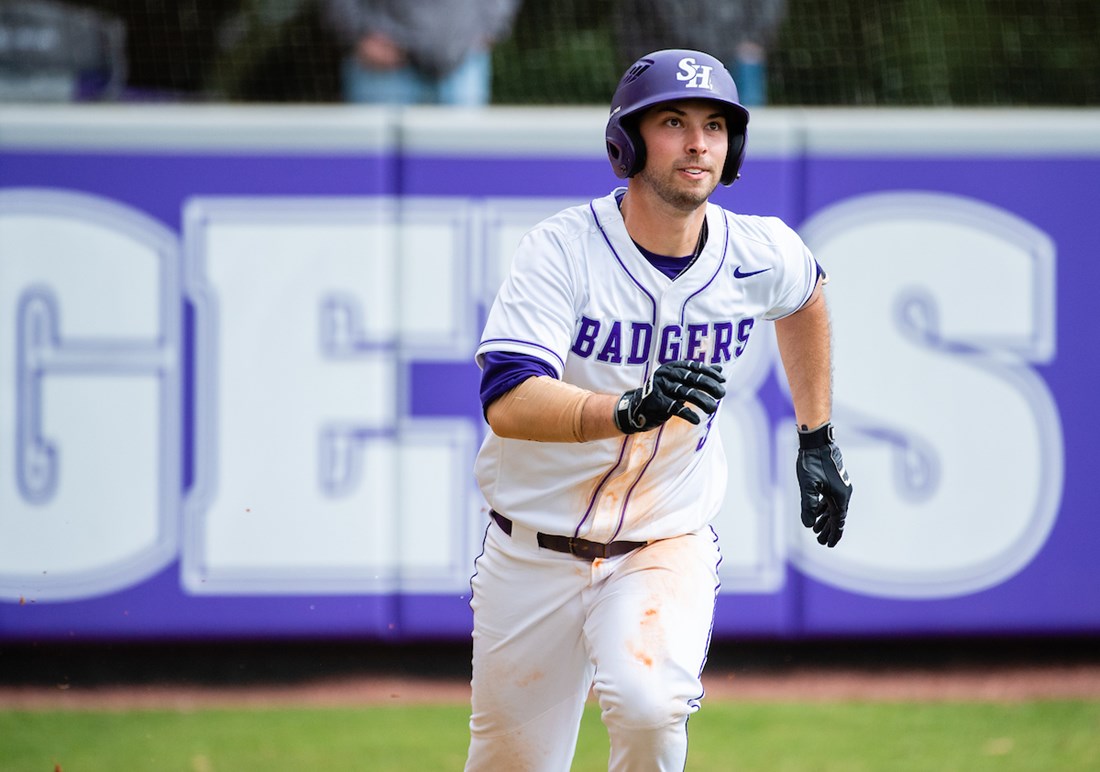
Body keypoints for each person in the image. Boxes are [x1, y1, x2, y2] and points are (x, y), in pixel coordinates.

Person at [466, 48, 852, 770]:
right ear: (628, 139)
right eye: (673, 121)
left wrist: (817, 437)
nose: (698, 142)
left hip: (663, 544)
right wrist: (624, 409)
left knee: (650, 708)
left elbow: (807, 295)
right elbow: (509, 397)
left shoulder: (758, 250)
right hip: (529, 550)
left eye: (715, 124)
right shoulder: (563, 250)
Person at [317, 0, 521, 106]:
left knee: (458, 174)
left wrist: (492, 25)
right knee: (374, 175)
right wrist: (356, 35)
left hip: (463, 63)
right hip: (381, 67)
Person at [613, 0, 787, 106]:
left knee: (745, 128)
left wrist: (755, 39)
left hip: (734, 61)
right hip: (672, 62)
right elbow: (632, 20)